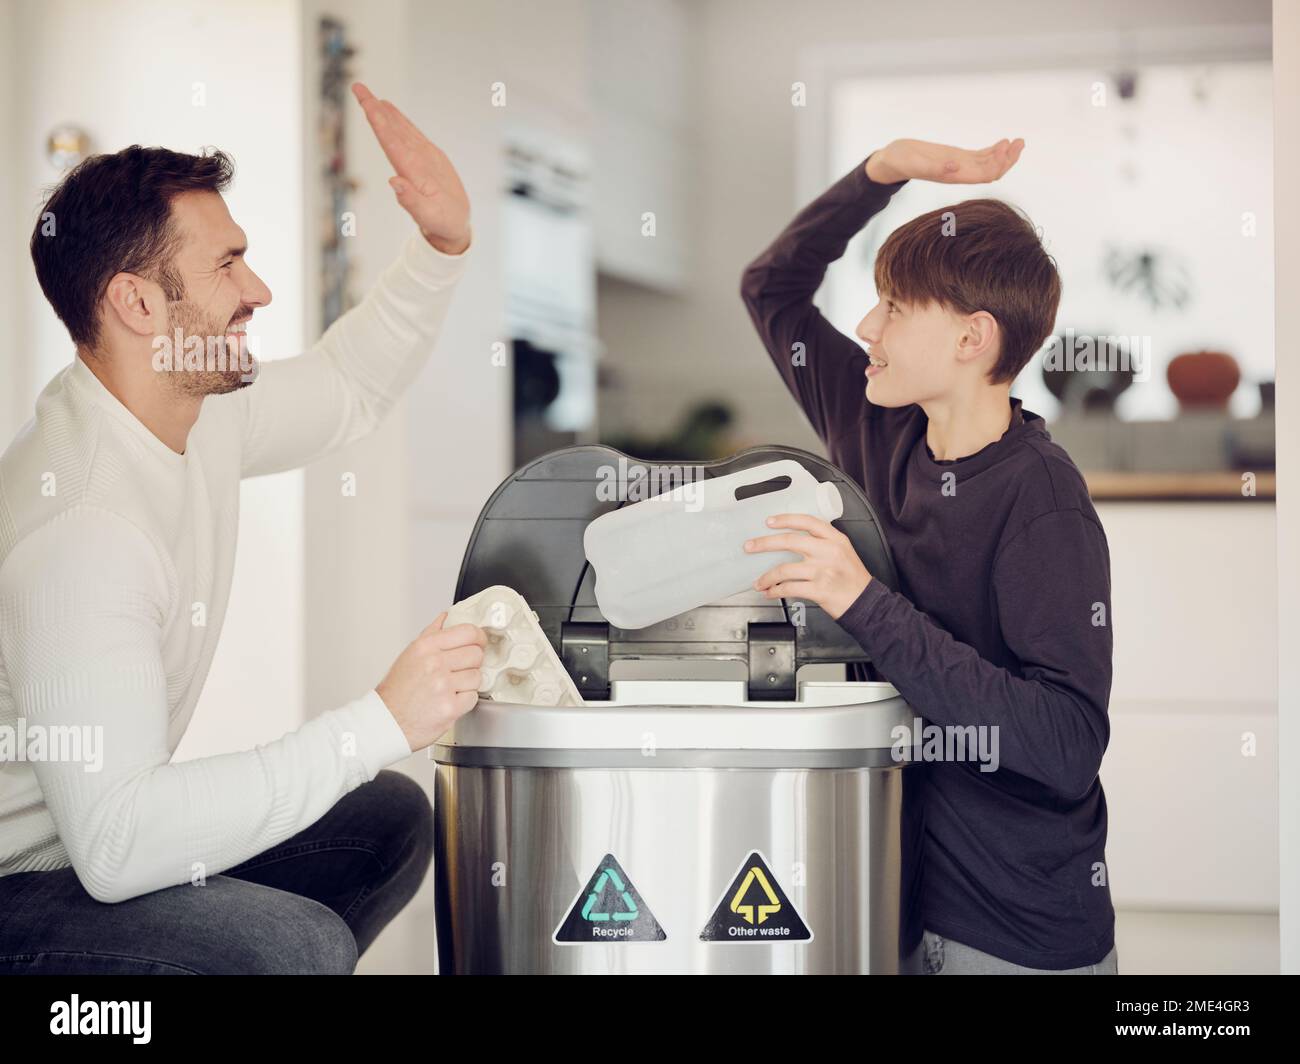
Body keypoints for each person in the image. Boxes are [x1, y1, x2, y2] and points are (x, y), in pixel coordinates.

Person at [0, 83, 486, 974]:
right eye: (228, 264)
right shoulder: (81, 526)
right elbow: (116, 845)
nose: (257, 288)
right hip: (18, 889)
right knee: (286, 945)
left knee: (383, 819)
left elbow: (348, 389)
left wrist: (441, 245)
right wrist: (378, 718)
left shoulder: (189, 413)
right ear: (138, 304)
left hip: (83, 854)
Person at [739, 138, 1118, 974]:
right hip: (888, 905)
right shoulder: (876, 422)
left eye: (895, 308)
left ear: (972, 340)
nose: (867, 328)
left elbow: (1064, 744)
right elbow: (770, 288)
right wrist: (885, 171)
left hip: (1012, 932)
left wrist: (864, 601)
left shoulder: (1043, 503)